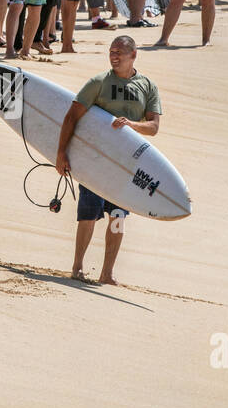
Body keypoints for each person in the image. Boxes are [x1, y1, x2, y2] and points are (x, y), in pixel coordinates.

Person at [56, 35, 161, 285]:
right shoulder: (99, 83)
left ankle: (107, 273)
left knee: (118, 217)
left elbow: (154, 127)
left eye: (120, 53)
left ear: (133, 55)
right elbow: (71, 117)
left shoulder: (147, 86)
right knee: (88, 214)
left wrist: (131, 125)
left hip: (125, 164)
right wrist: (61, 153)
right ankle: (77, 267)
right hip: (94, 159)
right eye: (111, 51)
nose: (114, 56)